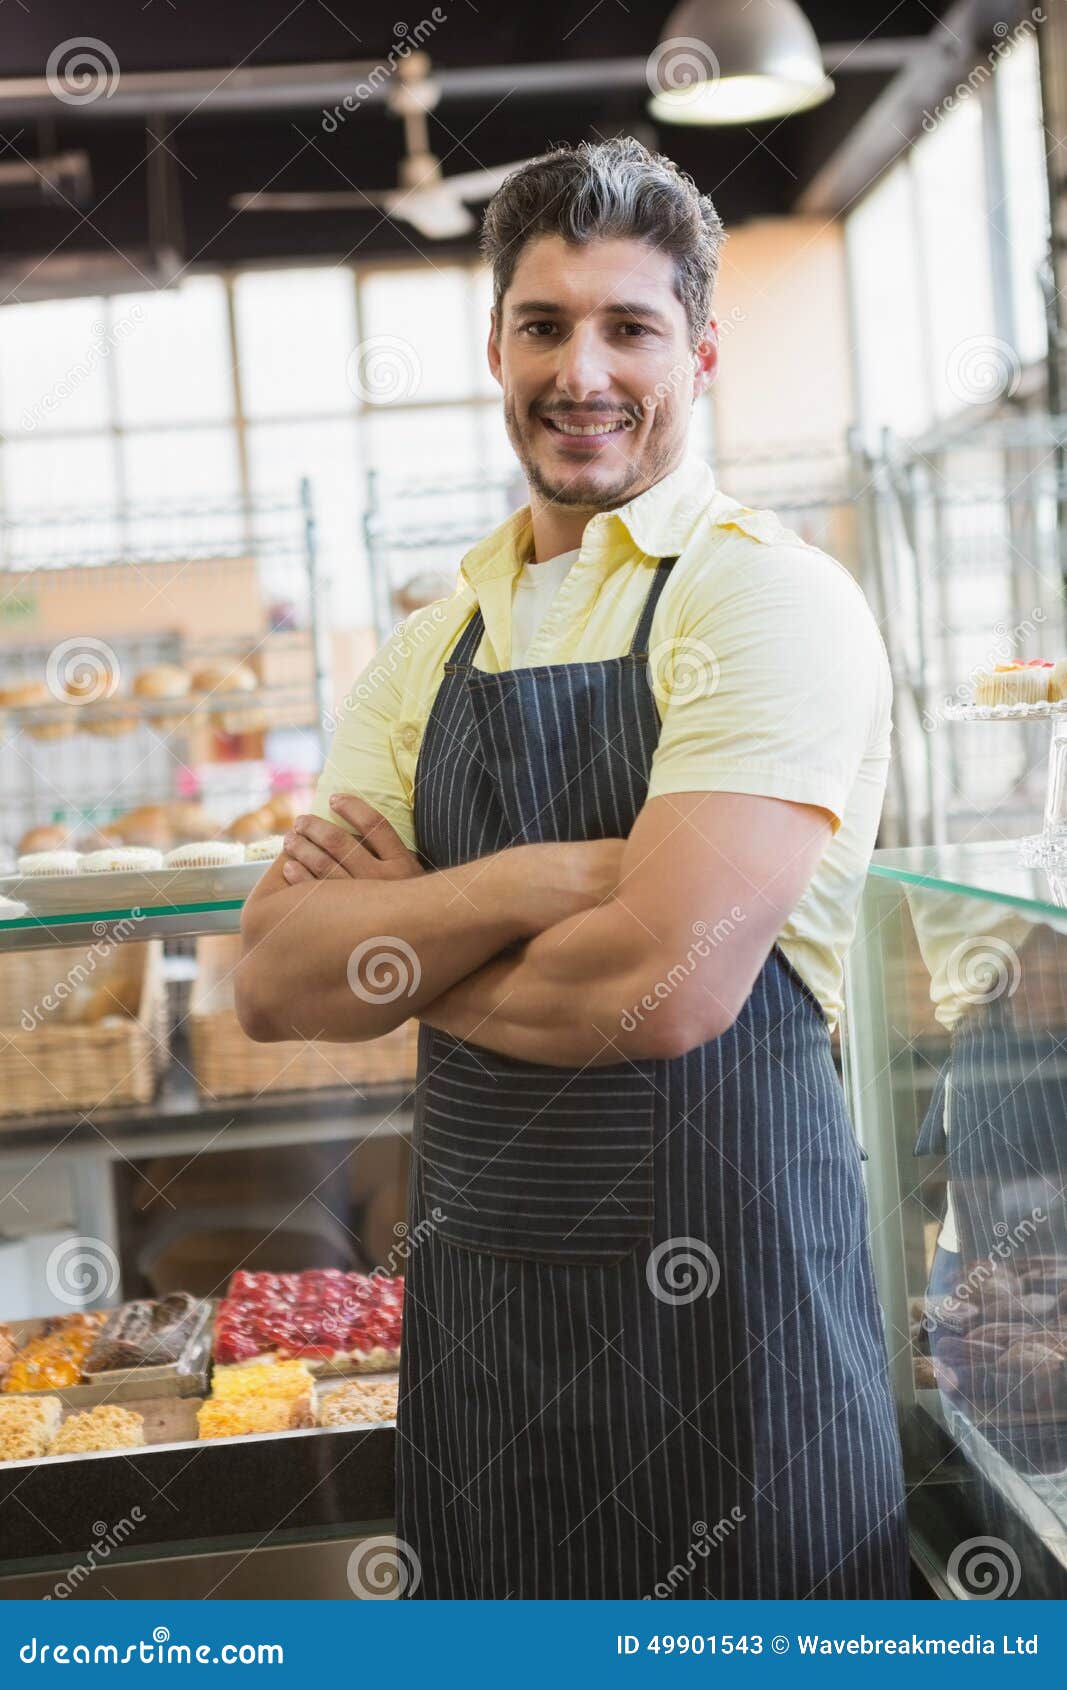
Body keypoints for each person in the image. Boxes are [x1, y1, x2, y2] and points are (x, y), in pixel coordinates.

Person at [236, 137, 907, 1599]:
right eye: (543, 325)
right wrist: (531, 883)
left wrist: (406, 946)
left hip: (739, 1364)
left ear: (702, 354)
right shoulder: (430, 647)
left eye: (630, 329)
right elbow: (275, 980)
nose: (580, 371)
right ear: (495, 348)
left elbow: (658, 987)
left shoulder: (765, 601)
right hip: (484, 1362)